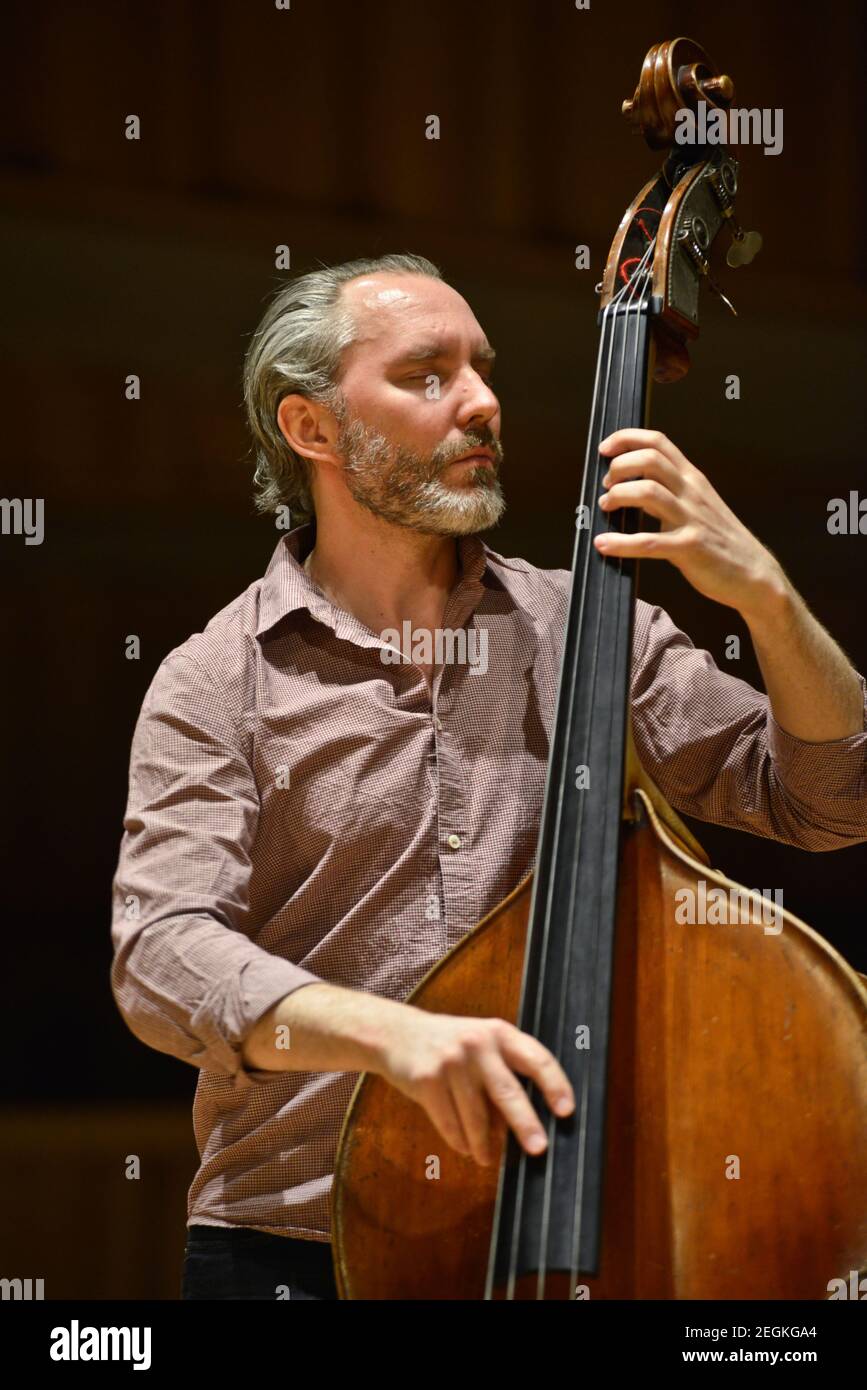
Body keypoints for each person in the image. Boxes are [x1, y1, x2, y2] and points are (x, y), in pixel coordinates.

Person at [110, 253, 867, 1301]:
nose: (483, 402)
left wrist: (768, 599)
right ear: (313, 429)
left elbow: (830, 801)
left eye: (483, 368)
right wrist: (396, 1038)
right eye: (427, 375)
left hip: (588, 1230)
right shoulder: (217, 678)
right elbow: (159, 955)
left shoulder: (587, 631)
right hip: (293, 1247)